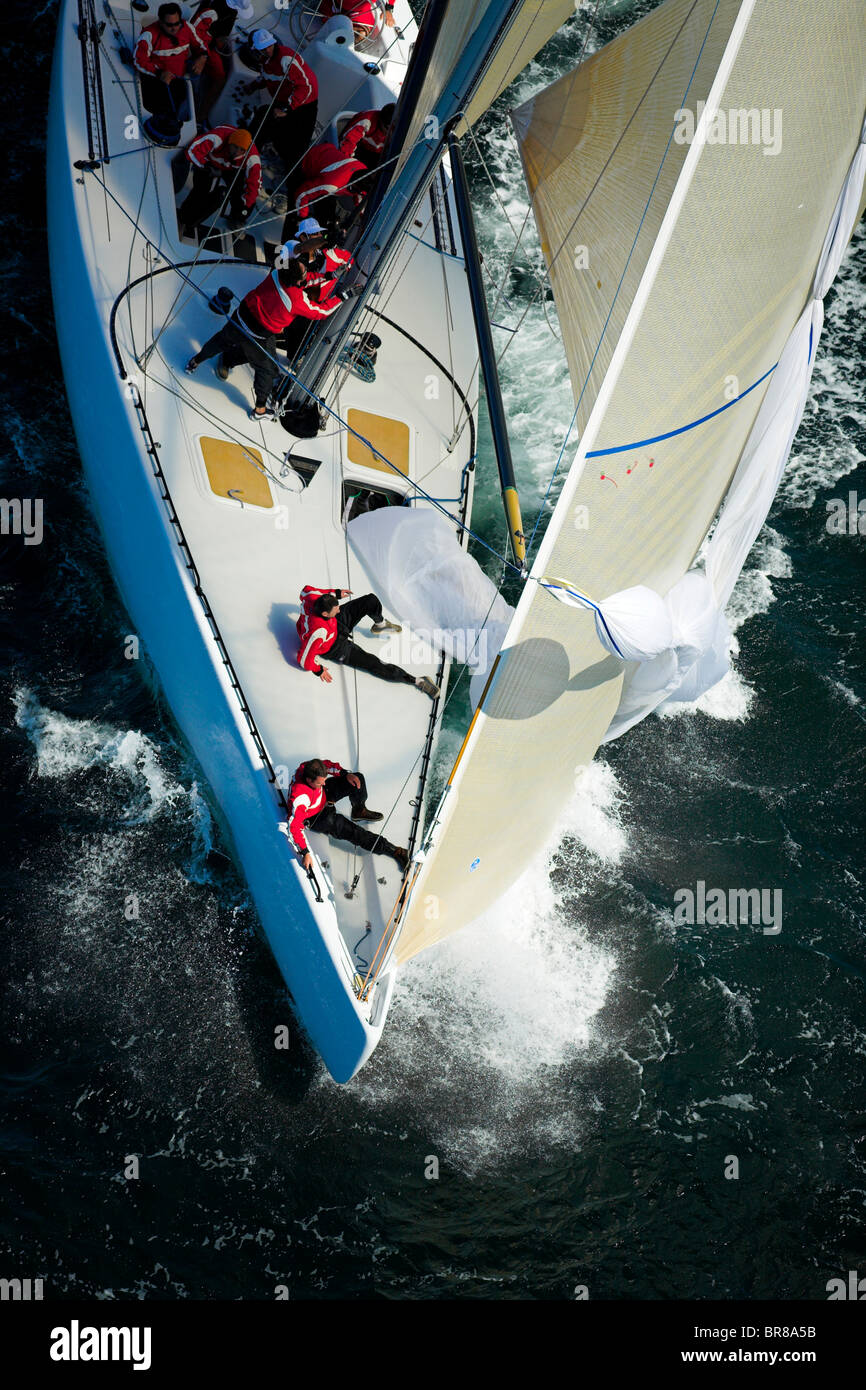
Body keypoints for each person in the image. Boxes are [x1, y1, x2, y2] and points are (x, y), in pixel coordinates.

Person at [185, 261, 354, 418]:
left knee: (220, 341)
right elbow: (321, 312)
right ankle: (259, 410)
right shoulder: (296, 300)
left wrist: (328, 277)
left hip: (240, 318)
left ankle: (194, 362)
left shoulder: (276, 273)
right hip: (259, 335)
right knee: (265, 370)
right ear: (294, 280)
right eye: (304, 273)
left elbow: (303, 280)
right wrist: (342, 297)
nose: (307, 274)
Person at [297, 585, 440, 698]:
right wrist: (318, 669)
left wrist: (336, 593)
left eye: (338, 606)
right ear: (325, 614)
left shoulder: (311, 596)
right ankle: (417, 681)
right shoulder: (318, 633)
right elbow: (304, 660)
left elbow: (306, 591)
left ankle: (381, 625)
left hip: (336, 624)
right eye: (336, 609)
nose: (340, 610)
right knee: (373, 663)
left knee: (370, 600)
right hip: (334, 647)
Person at [288, 758, 408, 869]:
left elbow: (328, 767)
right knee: (354, 832)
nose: (324, 783)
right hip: (318, 817)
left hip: (323, 796)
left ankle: (359, 810)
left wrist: (345, 774)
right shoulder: (300, 798)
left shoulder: (309, 767)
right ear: (309, 780)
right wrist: (305, 852)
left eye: (324, 780)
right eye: (320, 782)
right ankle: (393, 850)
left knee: (357, 779)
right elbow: (294, 826)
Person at [241, 29, 318, 173]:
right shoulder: (265, 61)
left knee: (296, 149)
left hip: (303, 105)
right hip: (285, 101)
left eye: (269, 46)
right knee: (264, 118)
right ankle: (248, 153)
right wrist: (253, 85)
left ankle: (291, 176)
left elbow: (306, 86)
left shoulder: (286, 59)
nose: (267, 50)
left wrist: (287, 109)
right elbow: (268, 77)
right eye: (263, 48)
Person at [276, 220, 354, 360]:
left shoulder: (320, 254)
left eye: (320, 233)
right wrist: (325, 240)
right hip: (284, 300)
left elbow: (312, 278)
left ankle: (293, 353)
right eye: (314, 233)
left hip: (303, 305)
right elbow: (303, 249)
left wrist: (333, 274)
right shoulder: (290, 247)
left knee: (298, 341)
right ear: (302, 237)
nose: (319, 235)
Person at [134, 3, 208, 146]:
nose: (174, 28)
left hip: (176, 81)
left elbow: (201, 46)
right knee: (161, 108)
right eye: (169, 25)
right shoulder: (149, 35)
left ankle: (199, 119)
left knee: (186, 98)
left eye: (177, 23)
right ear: (161, 22)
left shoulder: (187, 28)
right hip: (155, 83)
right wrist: (158, 72)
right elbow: (138, 61)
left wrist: (202, 57)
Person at [179, 125, 261, 237]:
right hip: (209, 163)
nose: (238, 152)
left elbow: (254, 185)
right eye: (235, 147)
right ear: (229, 143)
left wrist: (245, 205)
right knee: (201, 190)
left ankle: (237, 218)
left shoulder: (252, 158)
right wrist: (206, 167)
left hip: (231, 169)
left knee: (241, 196)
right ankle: (185, 219)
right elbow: (192, 151)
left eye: (242, 150)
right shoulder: (217, 137)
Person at [190, 0, 254, 120]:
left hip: (209, 41)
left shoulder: (229, 8)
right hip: (202, 42)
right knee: (220, 79)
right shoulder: (215, 10)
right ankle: (201, 116)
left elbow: (221, 35)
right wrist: (203, 55)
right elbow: (195, 33)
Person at [291, 141, 369, 236]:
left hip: (326, 156)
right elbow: (301, 194)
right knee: (300, 216)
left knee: (330, 217)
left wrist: (365, 219)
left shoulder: (362, 168)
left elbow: (361, 198)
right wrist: (302, 218)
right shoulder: (332, 184)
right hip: (304, 163)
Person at [339, 103, 395, 172]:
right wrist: (351, 169)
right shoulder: (366, 120)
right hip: (358, 151)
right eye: (388, 129)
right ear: (381, 121)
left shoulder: (397, 133)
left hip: (377, 156)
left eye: (394, 129)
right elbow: (347, 145)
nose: (390, 133)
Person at [319, 0, 396, 45]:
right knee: (331, 30)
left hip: (359, 12)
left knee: (361, 34)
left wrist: (388, 8)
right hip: (333, 4)